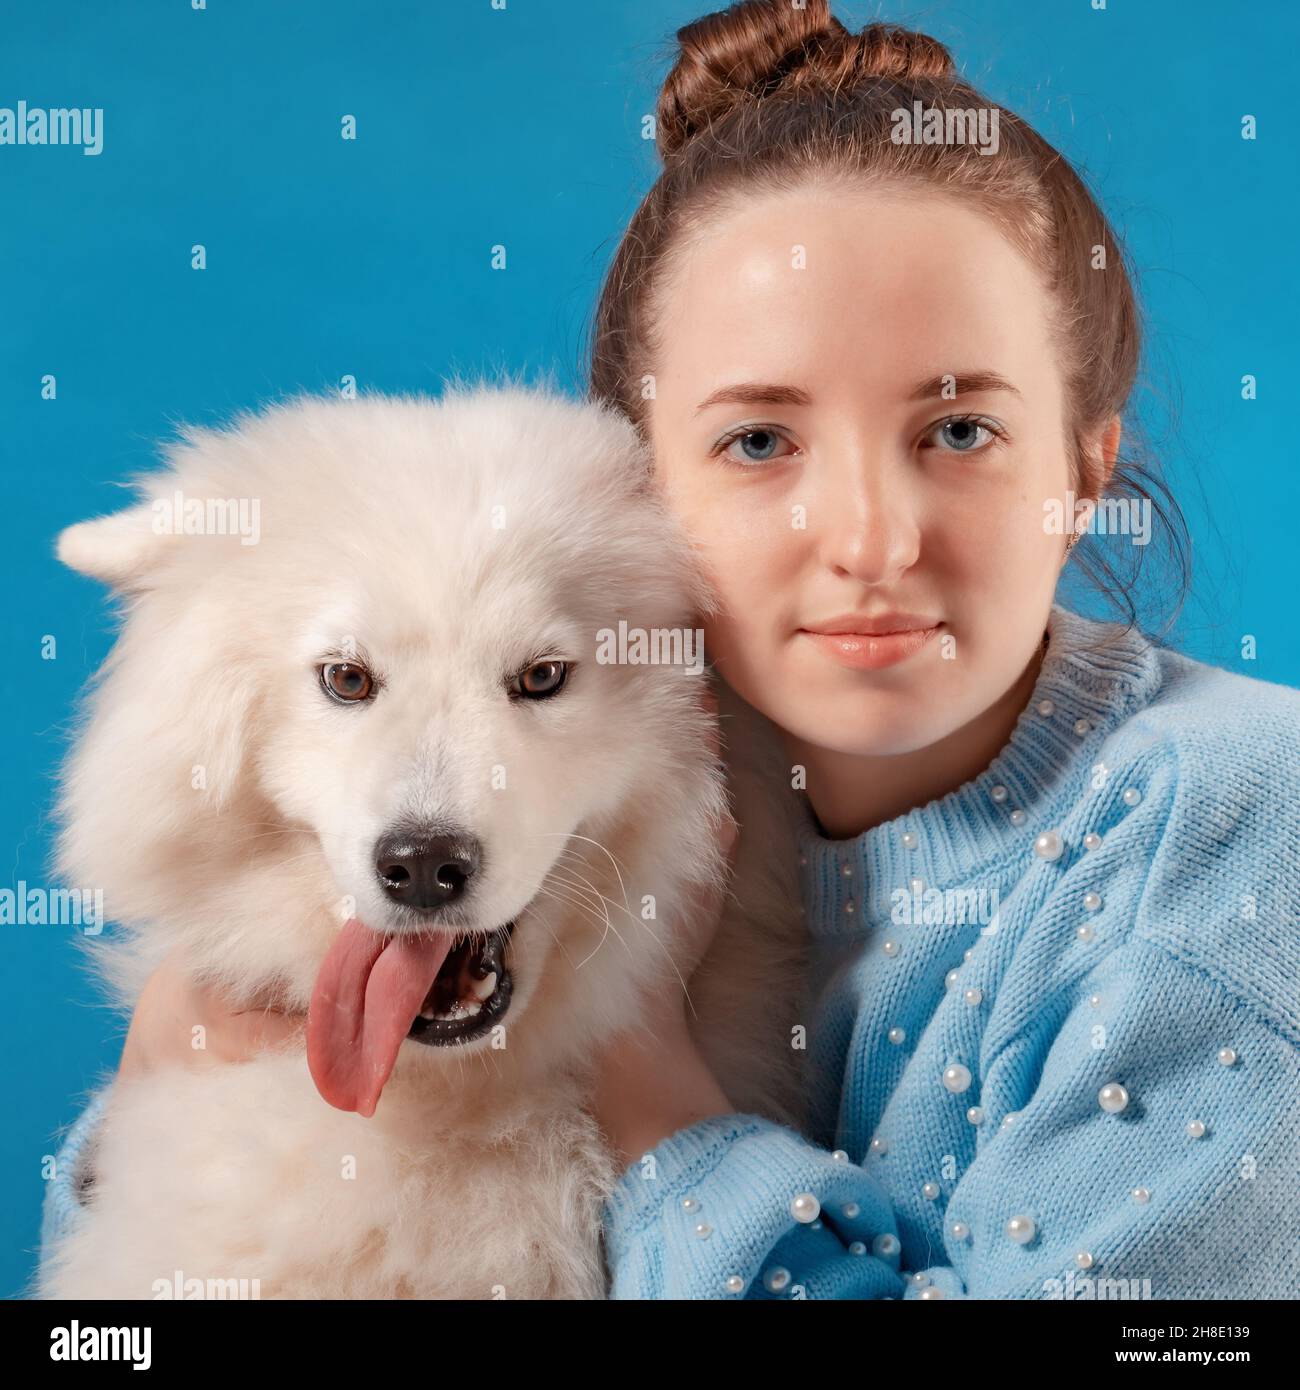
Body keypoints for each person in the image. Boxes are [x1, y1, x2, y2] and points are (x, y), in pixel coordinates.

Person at [41, 2, 1300, 1300]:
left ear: (1086, 471)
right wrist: (144, 1113)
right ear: (644, 486)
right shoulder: (657, 747)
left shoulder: (1237, 839)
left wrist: (649, 1089)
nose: (868, 539)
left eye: (959, 431)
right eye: (761, 441)